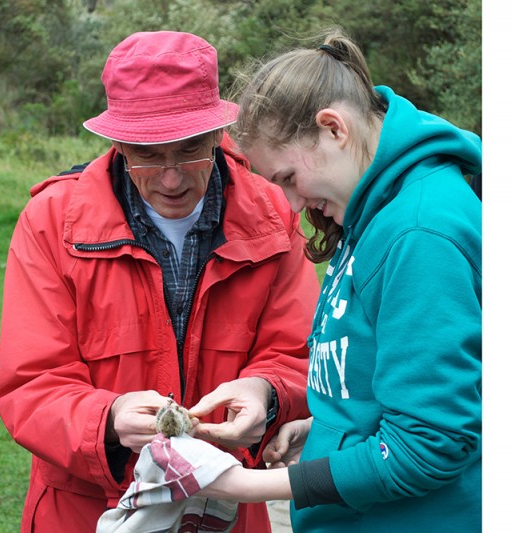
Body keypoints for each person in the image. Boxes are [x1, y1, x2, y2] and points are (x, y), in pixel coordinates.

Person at [0, 30, 320, 532]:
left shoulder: (272, 215)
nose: (171, 179)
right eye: (147, 153)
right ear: (118, 143)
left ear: (217, 134)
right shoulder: (51, 222)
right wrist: (107, 417)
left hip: (223, 509)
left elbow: (300, 354)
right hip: (86, 512)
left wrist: (266, 392)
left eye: (190, 150)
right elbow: (31, 384)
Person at [199, 29, 482, 531]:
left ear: (334, 128)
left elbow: (428, 446)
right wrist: (328, 429)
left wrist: (244, 485)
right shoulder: (370, 208)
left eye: (287, 178)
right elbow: (387, 376)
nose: (288, 204)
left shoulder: (419, 232)